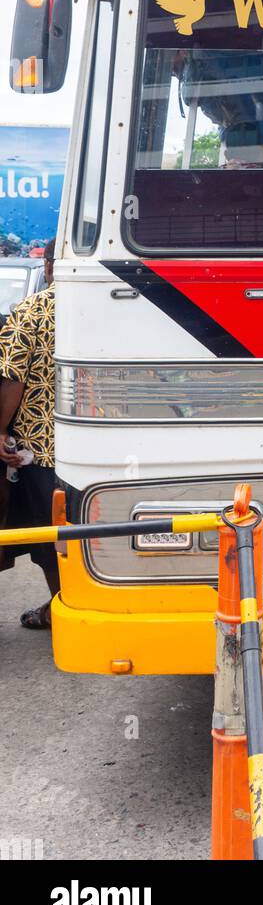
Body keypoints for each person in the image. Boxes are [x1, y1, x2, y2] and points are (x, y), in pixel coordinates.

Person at [0, 237, 59, 629]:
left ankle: (61, 605)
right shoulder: (114, 309)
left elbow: (12, 381)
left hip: (40, 452)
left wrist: (0, 429)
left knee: (49, 535)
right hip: (104, 448)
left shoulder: (31, 312)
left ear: (50, 265)